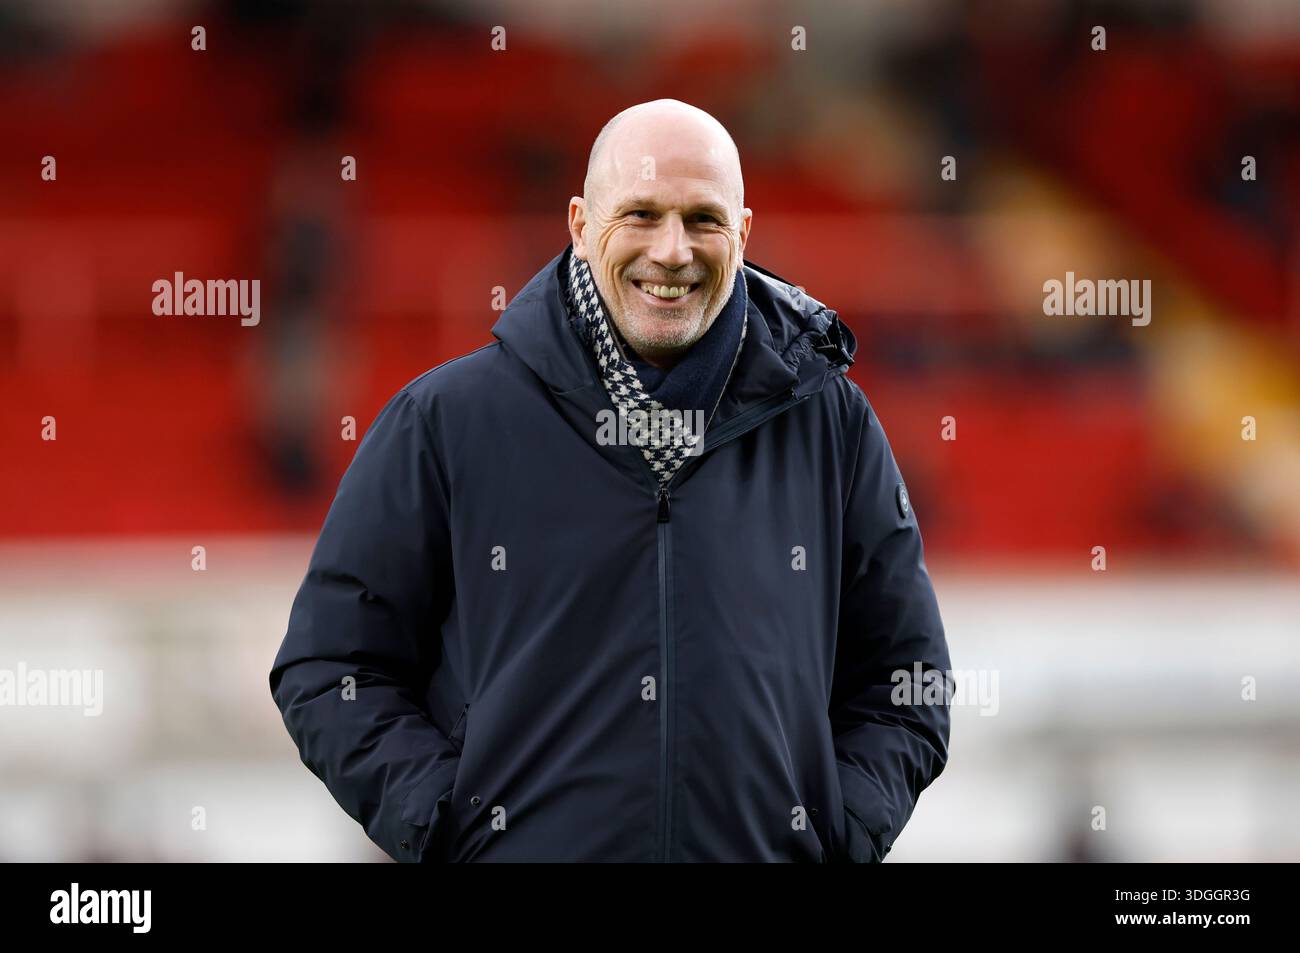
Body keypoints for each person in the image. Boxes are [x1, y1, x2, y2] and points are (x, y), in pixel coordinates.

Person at [269, 99, 952, 862]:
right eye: (641, 214)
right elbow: (328, 667)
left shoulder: (833, 425)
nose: (671, 250)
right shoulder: (446, 421)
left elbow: (909, 681)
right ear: (579, 226)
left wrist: (839, 834)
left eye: (702, 219)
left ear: (744, 232)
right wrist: (451, 829)